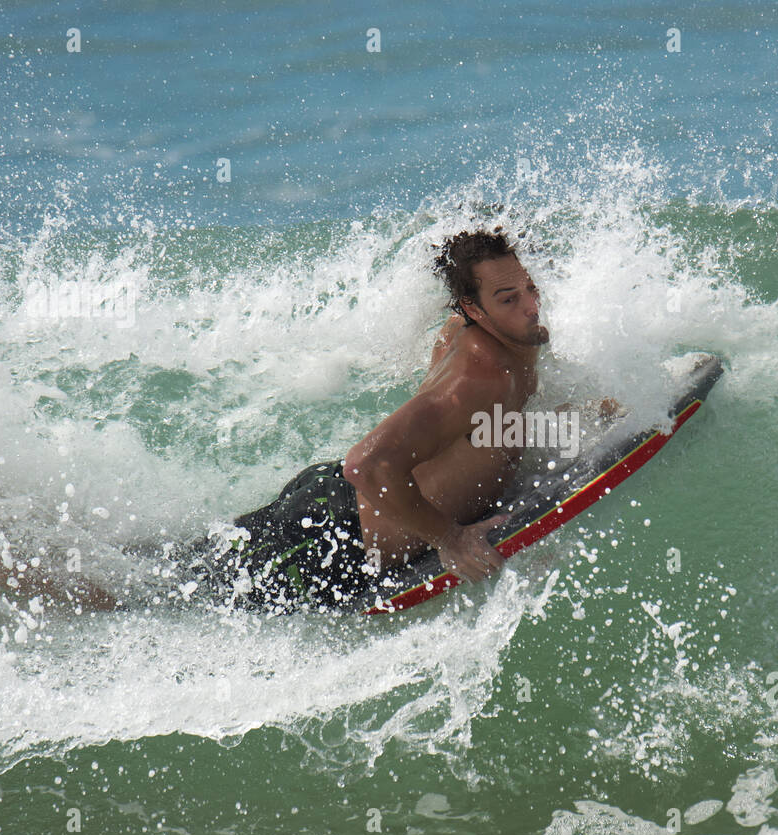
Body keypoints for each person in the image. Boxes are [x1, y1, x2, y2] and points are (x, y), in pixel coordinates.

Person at [172, 227, 547, 611]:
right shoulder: (480, 377)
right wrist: (450, 540)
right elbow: (365, 463)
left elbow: (470, 433)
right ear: (473, 308)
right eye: (508, 299)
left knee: (175, 566)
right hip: (330, 543)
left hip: (330, 504)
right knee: (155, 596)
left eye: (531, 288)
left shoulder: (473, 333)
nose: (531, 306)